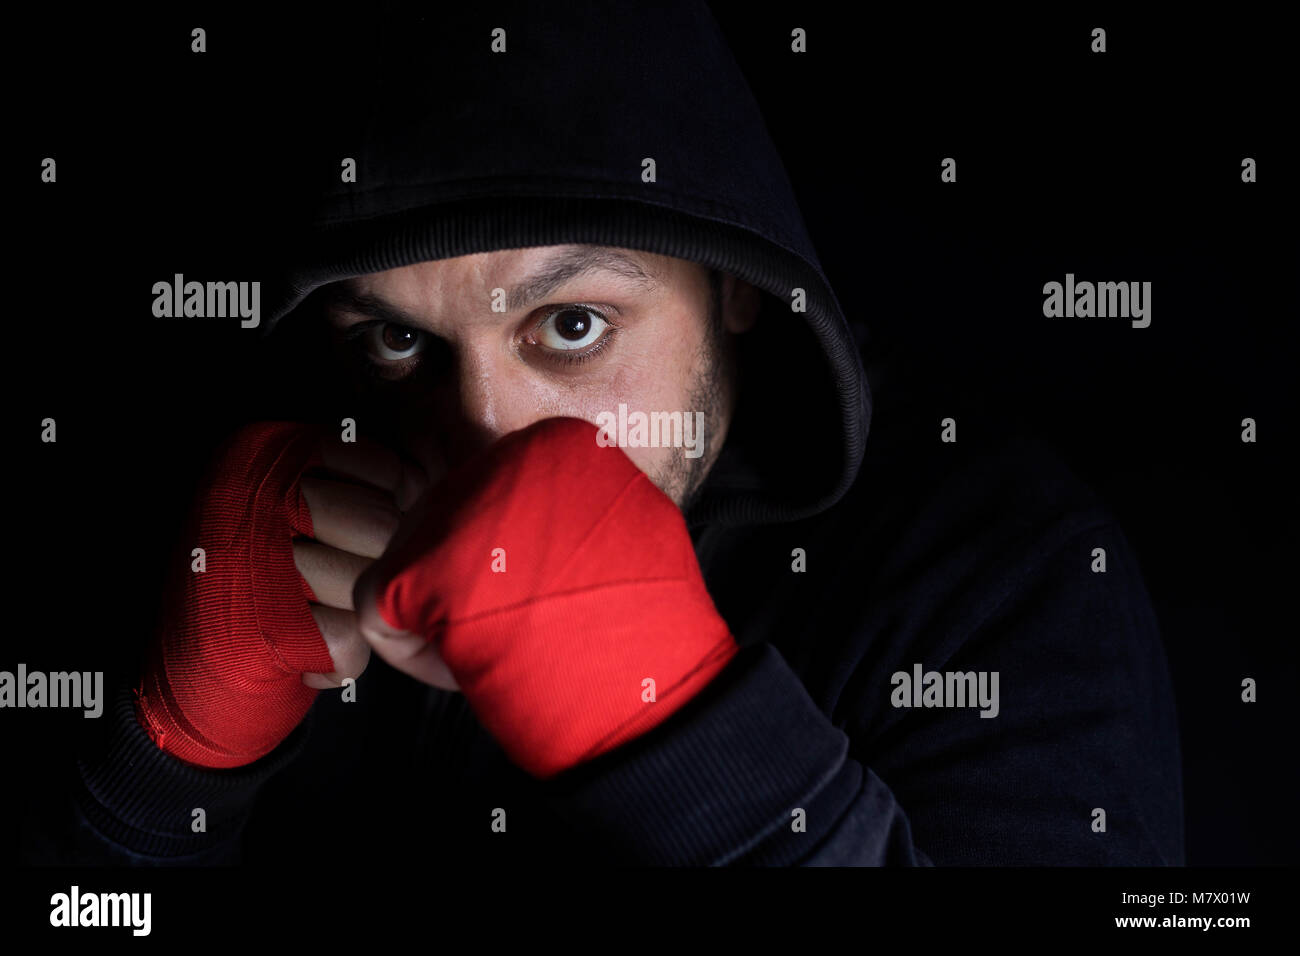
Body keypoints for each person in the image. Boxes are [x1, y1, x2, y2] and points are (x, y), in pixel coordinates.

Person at [22, 1, 1183, 866]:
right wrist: (165, 772)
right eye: (396, 344)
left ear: (731, 284)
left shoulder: (997, 566)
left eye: (569, 324)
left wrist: (685, 735)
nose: (485, 433)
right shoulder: (277, 501)